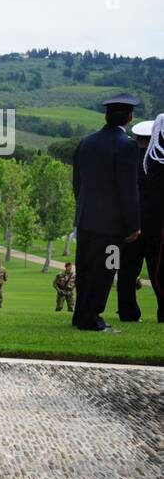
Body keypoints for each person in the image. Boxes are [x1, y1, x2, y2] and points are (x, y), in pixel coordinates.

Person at [72, 94, 142, 332]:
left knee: (84, 270)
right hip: (111, 226)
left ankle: (81, 315)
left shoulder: (86, 142)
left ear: (106, 115)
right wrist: (133, 224)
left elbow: (77, 184)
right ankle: (92, 318)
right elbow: (128, 189)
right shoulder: (128, 146)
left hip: (85, 219)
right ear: (130, 117)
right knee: (105, 271)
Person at [118, 117, 164, 322]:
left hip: (128, 225)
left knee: (127, 273)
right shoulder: (159, 162)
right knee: (157, 271)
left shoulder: (126, 160)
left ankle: (128, 312)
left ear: (136, 138)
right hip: (155, 226)